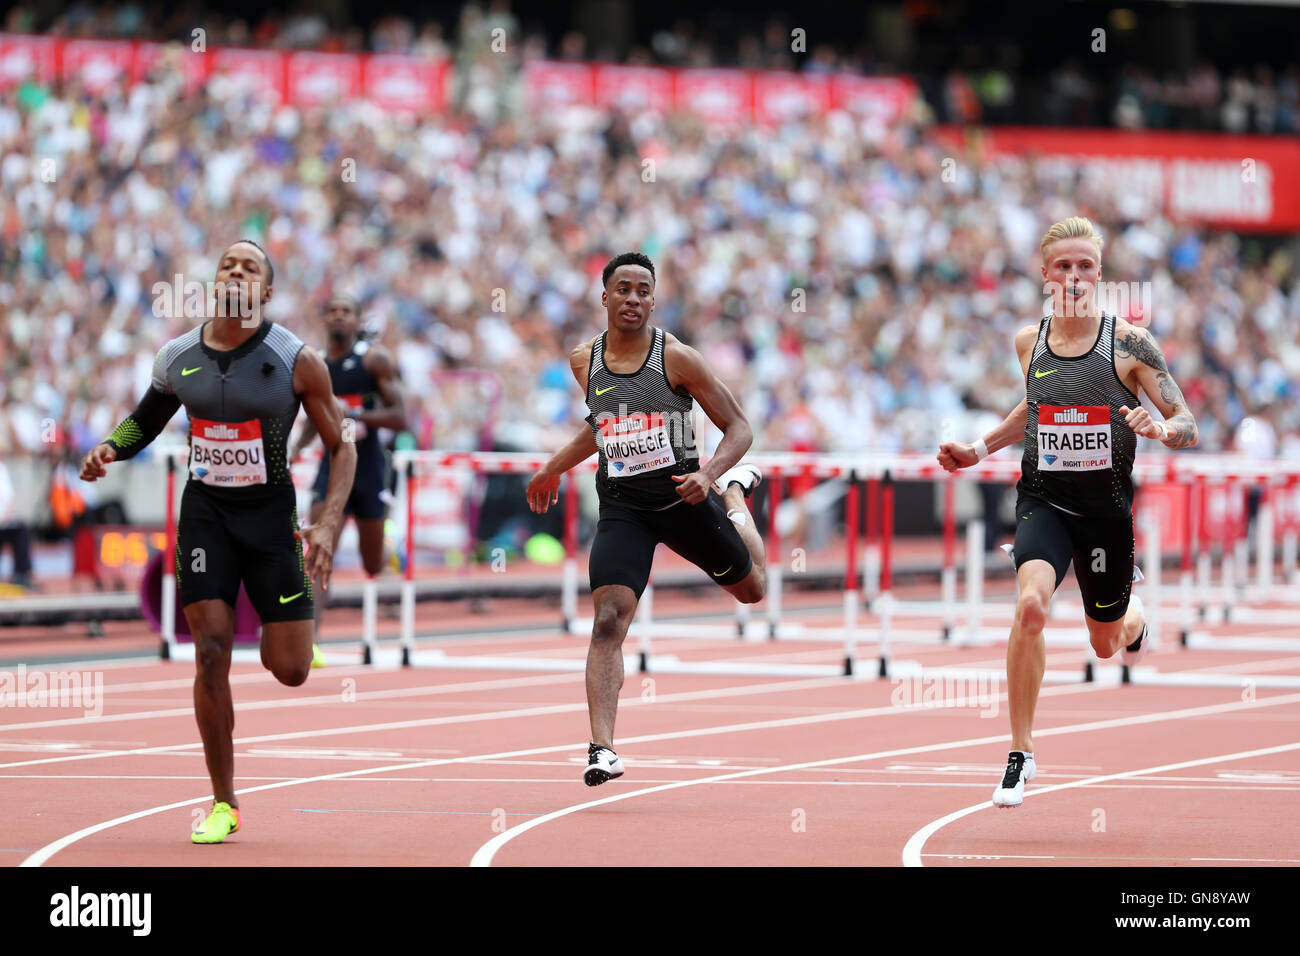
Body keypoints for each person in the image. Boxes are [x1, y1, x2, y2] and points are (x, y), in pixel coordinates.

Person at [80, 240, 357, 843]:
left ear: (266, 292)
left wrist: (329, 523)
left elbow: (344, 446)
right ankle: (224, 802)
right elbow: (145, 420)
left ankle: (282, 616)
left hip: (270, 520)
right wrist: (110, 446)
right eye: (227, 264)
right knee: (209, 651)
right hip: (205, 513)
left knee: (291, 668)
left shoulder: (296, 359)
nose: (235, 272)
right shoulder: (178, 356)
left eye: (249, 267)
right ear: (214, 283)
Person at [937, 217, 1198, 808]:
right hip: (1044, 502)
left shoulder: (1130, 343)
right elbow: (1034, 405)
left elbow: (1189, 423)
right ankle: (1020, 752)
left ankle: (1134, 617)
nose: (1074, 276)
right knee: (1031, 605)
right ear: (1046, 273)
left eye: (1085, 266)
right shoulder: (1030, 341)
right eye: (1063, 266)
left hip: (1104, 516)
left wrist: (1158, 427)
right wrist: (977, 451)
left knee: (1106, 644)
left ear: (1099, 275)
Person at [525, 252, 767, 786]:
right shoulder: (584, 360)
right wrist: (550, 469)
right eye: (623, 289)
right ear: (605, 297)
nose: (632, 299)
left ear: (653, 301)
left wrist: (710, 475)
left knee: (754, 590)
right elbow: (604, 426)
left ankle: (736, 497)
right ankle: (602, 748)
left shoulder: (678, 359)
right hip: (623, 508)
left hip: (686, 498)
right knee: (609, 619)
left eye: (643, 292)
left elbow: (740, 428)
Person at [289, 295, 407, 650]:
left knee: (372, 564)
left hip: (369, 469)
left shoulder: (375, 360)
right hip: (333, 467)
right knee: (318, 550)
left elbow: (400, 417)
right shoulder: (316, 365)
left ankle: (389, 547)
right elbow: (314, 417)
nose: (339, 317)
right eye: (333, 311)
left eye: (347, 312)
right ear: (324, 320)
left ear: (357, 321)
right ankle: (309, 640)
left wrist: (352, 416)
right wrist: (294, 450)